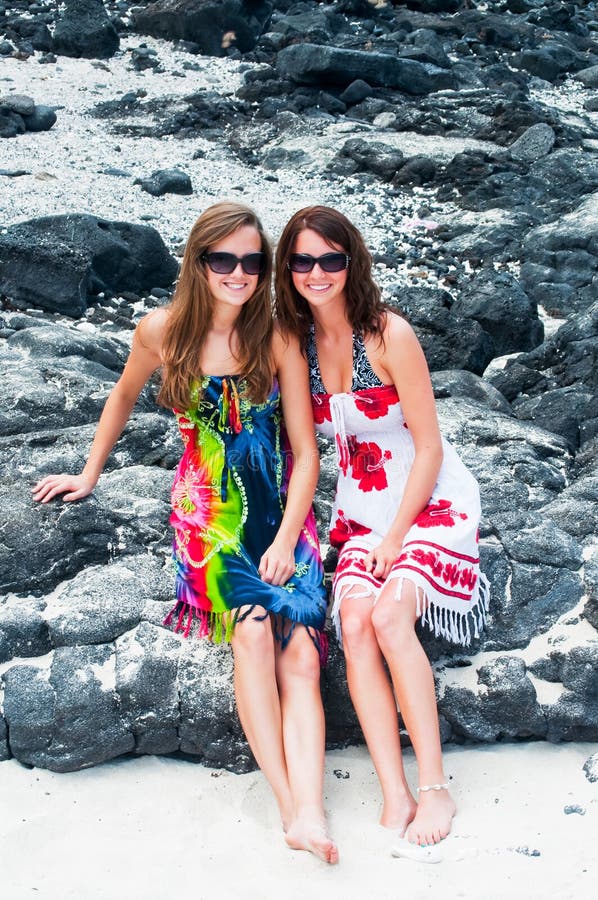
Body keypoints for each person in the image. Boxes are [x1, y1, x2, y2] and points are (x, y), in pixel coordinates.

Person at [32, 201, 338, 865]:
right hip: (207, 512)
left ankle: (313, 807)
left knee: (305, 655)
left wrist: (287, 540)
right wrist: (88, 473)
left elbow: (307, 454)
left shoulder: (279, 335)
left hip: (279, 510)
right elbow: (120, 396)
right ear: (197, 262)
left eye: (252, 261)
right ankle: (290, 808)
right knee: (254, 632)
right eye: (222, 259)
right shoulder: (161, 332)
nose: (239, 273)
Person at [275, 205, 489, 860]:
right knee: (356, 621)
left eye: (331, 259)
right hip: (360, 510)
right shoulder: (296, 344)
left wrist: (399, 534)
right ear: (289, 267)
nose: (317, 272)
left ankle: (435, 786)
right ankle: (393, 790)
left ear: (352, 262)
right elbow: (307, 453)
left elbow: (429, 446)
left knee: (394, 615)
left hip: (430, 499)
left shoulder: (387, 334)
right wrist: (287, 539)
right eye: (304, 260)